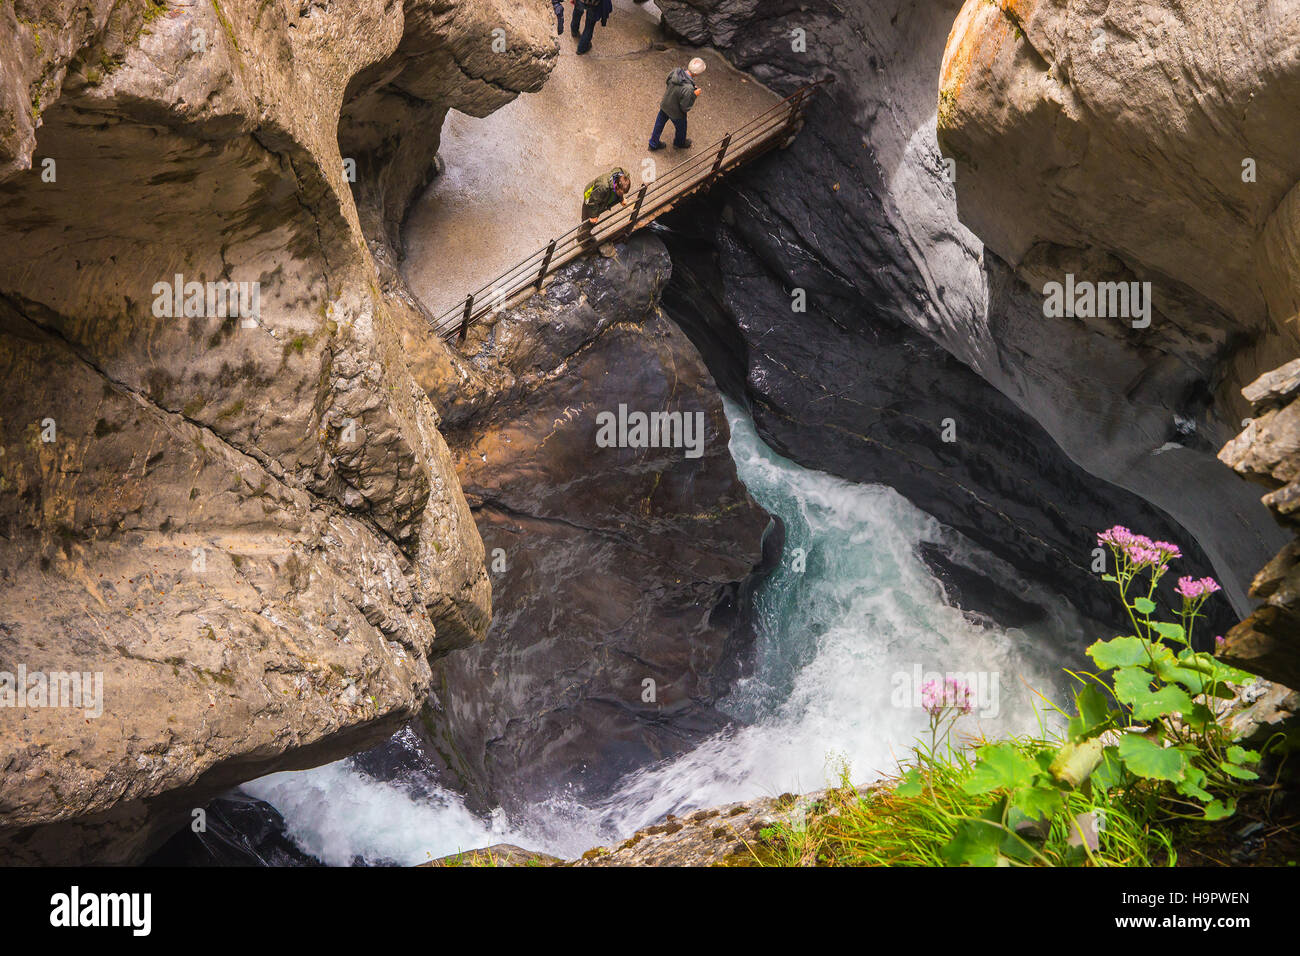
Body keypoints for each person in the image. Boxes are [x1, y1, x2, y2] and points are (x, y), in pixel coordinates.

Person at [648, 58, 705, 151]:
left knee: (659, 124)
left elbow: (667, 82)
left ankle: (653, 143)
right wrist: (694, 95)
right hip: (676, 113)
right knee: (681, 128)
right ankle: (679, 143)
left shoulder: (676, 72)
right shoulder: (689, 88)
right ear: (697, 74)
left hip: (665, 104)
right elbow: (685, 107)